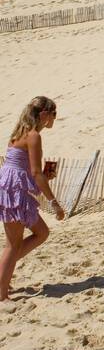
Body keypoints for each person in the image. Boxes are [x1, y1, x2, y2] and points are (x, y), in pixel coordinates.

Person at [0, 97, 64, 301]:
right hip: (13, 192)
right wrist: (54, 203)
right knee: (13, 245)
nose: (54, 118)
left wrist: (45, 175)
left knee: (41, 232)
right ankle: (1, 294)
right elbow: (35, 174)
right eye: (53, 113)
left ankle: (4, 272)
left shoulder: (19, 133)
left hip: (10, 188)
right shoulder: (33, 136)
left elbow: (25, 171)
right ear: (44, 114)